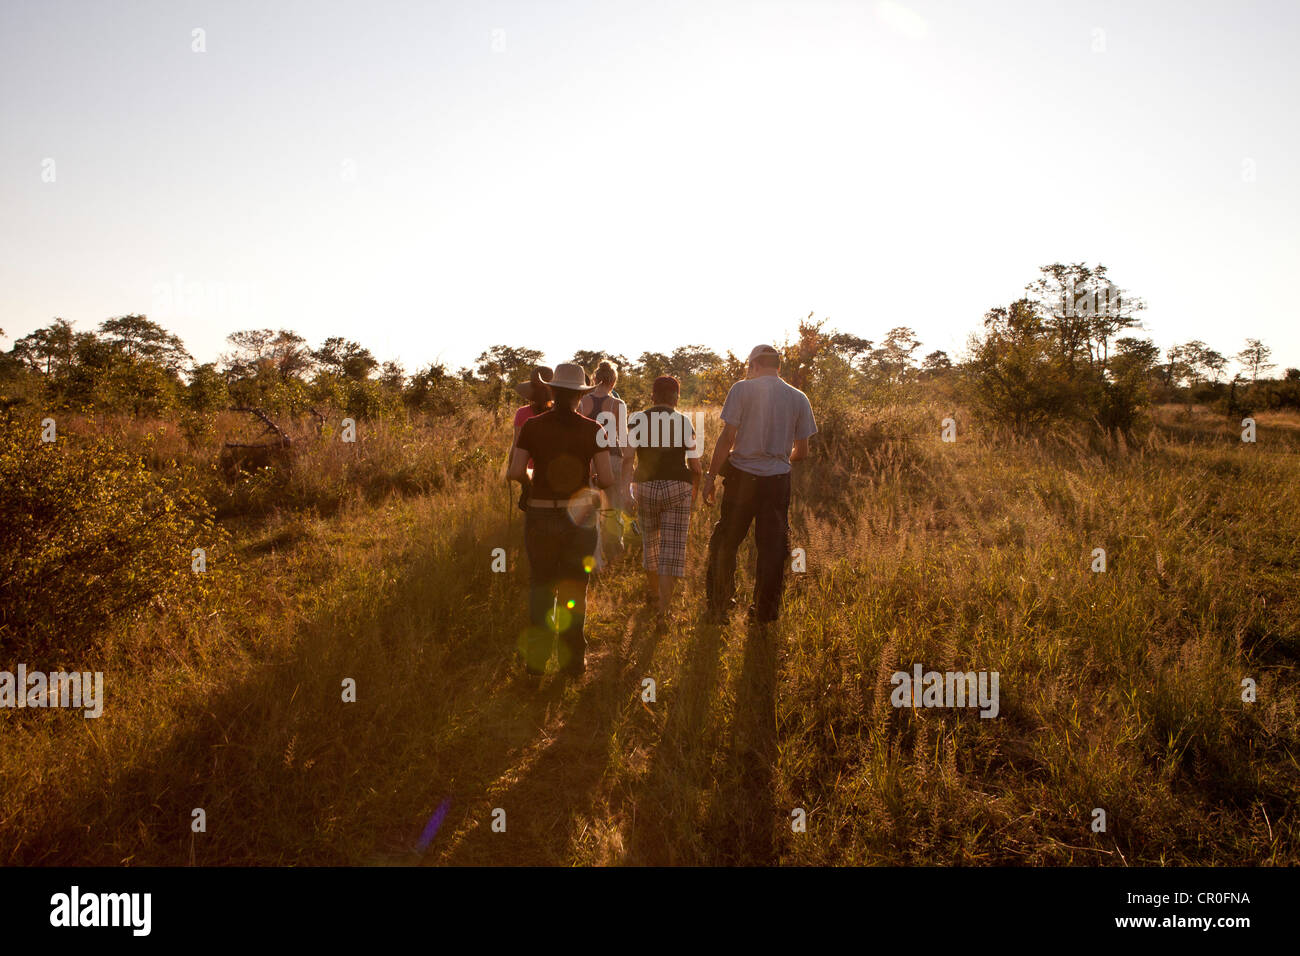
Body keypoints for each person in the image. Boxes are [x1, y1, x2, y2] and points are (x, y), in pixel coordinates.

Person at [508, 363, 615, 677]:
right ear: (580, 397)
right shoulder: (594, 430)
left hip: (539, 514)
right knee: (574, 591)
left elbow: (515, 472)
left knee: (541, 587)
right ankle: (572, 663)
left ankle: (535, 664)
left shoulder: (532, 426)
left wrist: (532, 476)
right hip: (579, 520)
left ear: (552, 392)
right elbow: (607, 479)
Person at [703, 344, 816, 624]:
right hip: (777, 482)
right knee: (772, 550)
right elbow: (802, 453)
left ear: (753, 365)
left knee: (725, 543)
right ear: (778, 365)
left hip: (742, 478)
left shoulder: (741, 389)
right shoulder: (799, 397)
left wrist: (710, 477)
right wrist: (777, 458)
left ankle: (719, 607)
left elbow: (727, 437)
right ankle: (764, 613)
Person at [628, 375, 701, 622]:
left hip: (645, 487)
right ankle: (663, 610)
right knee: (671, 551)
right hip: (677, 487)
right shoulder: (684, 422)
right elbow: (696, 466)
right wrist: (696, 493)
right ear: (676, 397)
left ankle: (654, 594)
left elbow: (628, 458)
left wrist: (626, 490)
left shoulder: (637, 420)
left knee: (652, 545)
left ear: (652, 396)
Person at [578, 360, 633, 567]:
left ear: (594, 379)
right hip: (612, 459)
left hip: (589, 460)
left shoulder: (583, 402)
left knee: (591, 513)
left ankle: (596, 561)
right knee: (614, 509)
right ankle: (615, 554)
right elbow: (622, 437)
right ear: (613, 381)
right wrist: (630, 465)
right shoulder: (617, 404)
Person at [510, 366, 553, 511]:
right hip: (553, 469)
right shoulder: (557, 413)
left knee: (531, 508)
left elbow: (516, 444)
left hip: (527, 471)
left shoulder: (522, 413)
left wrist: (512, 466)